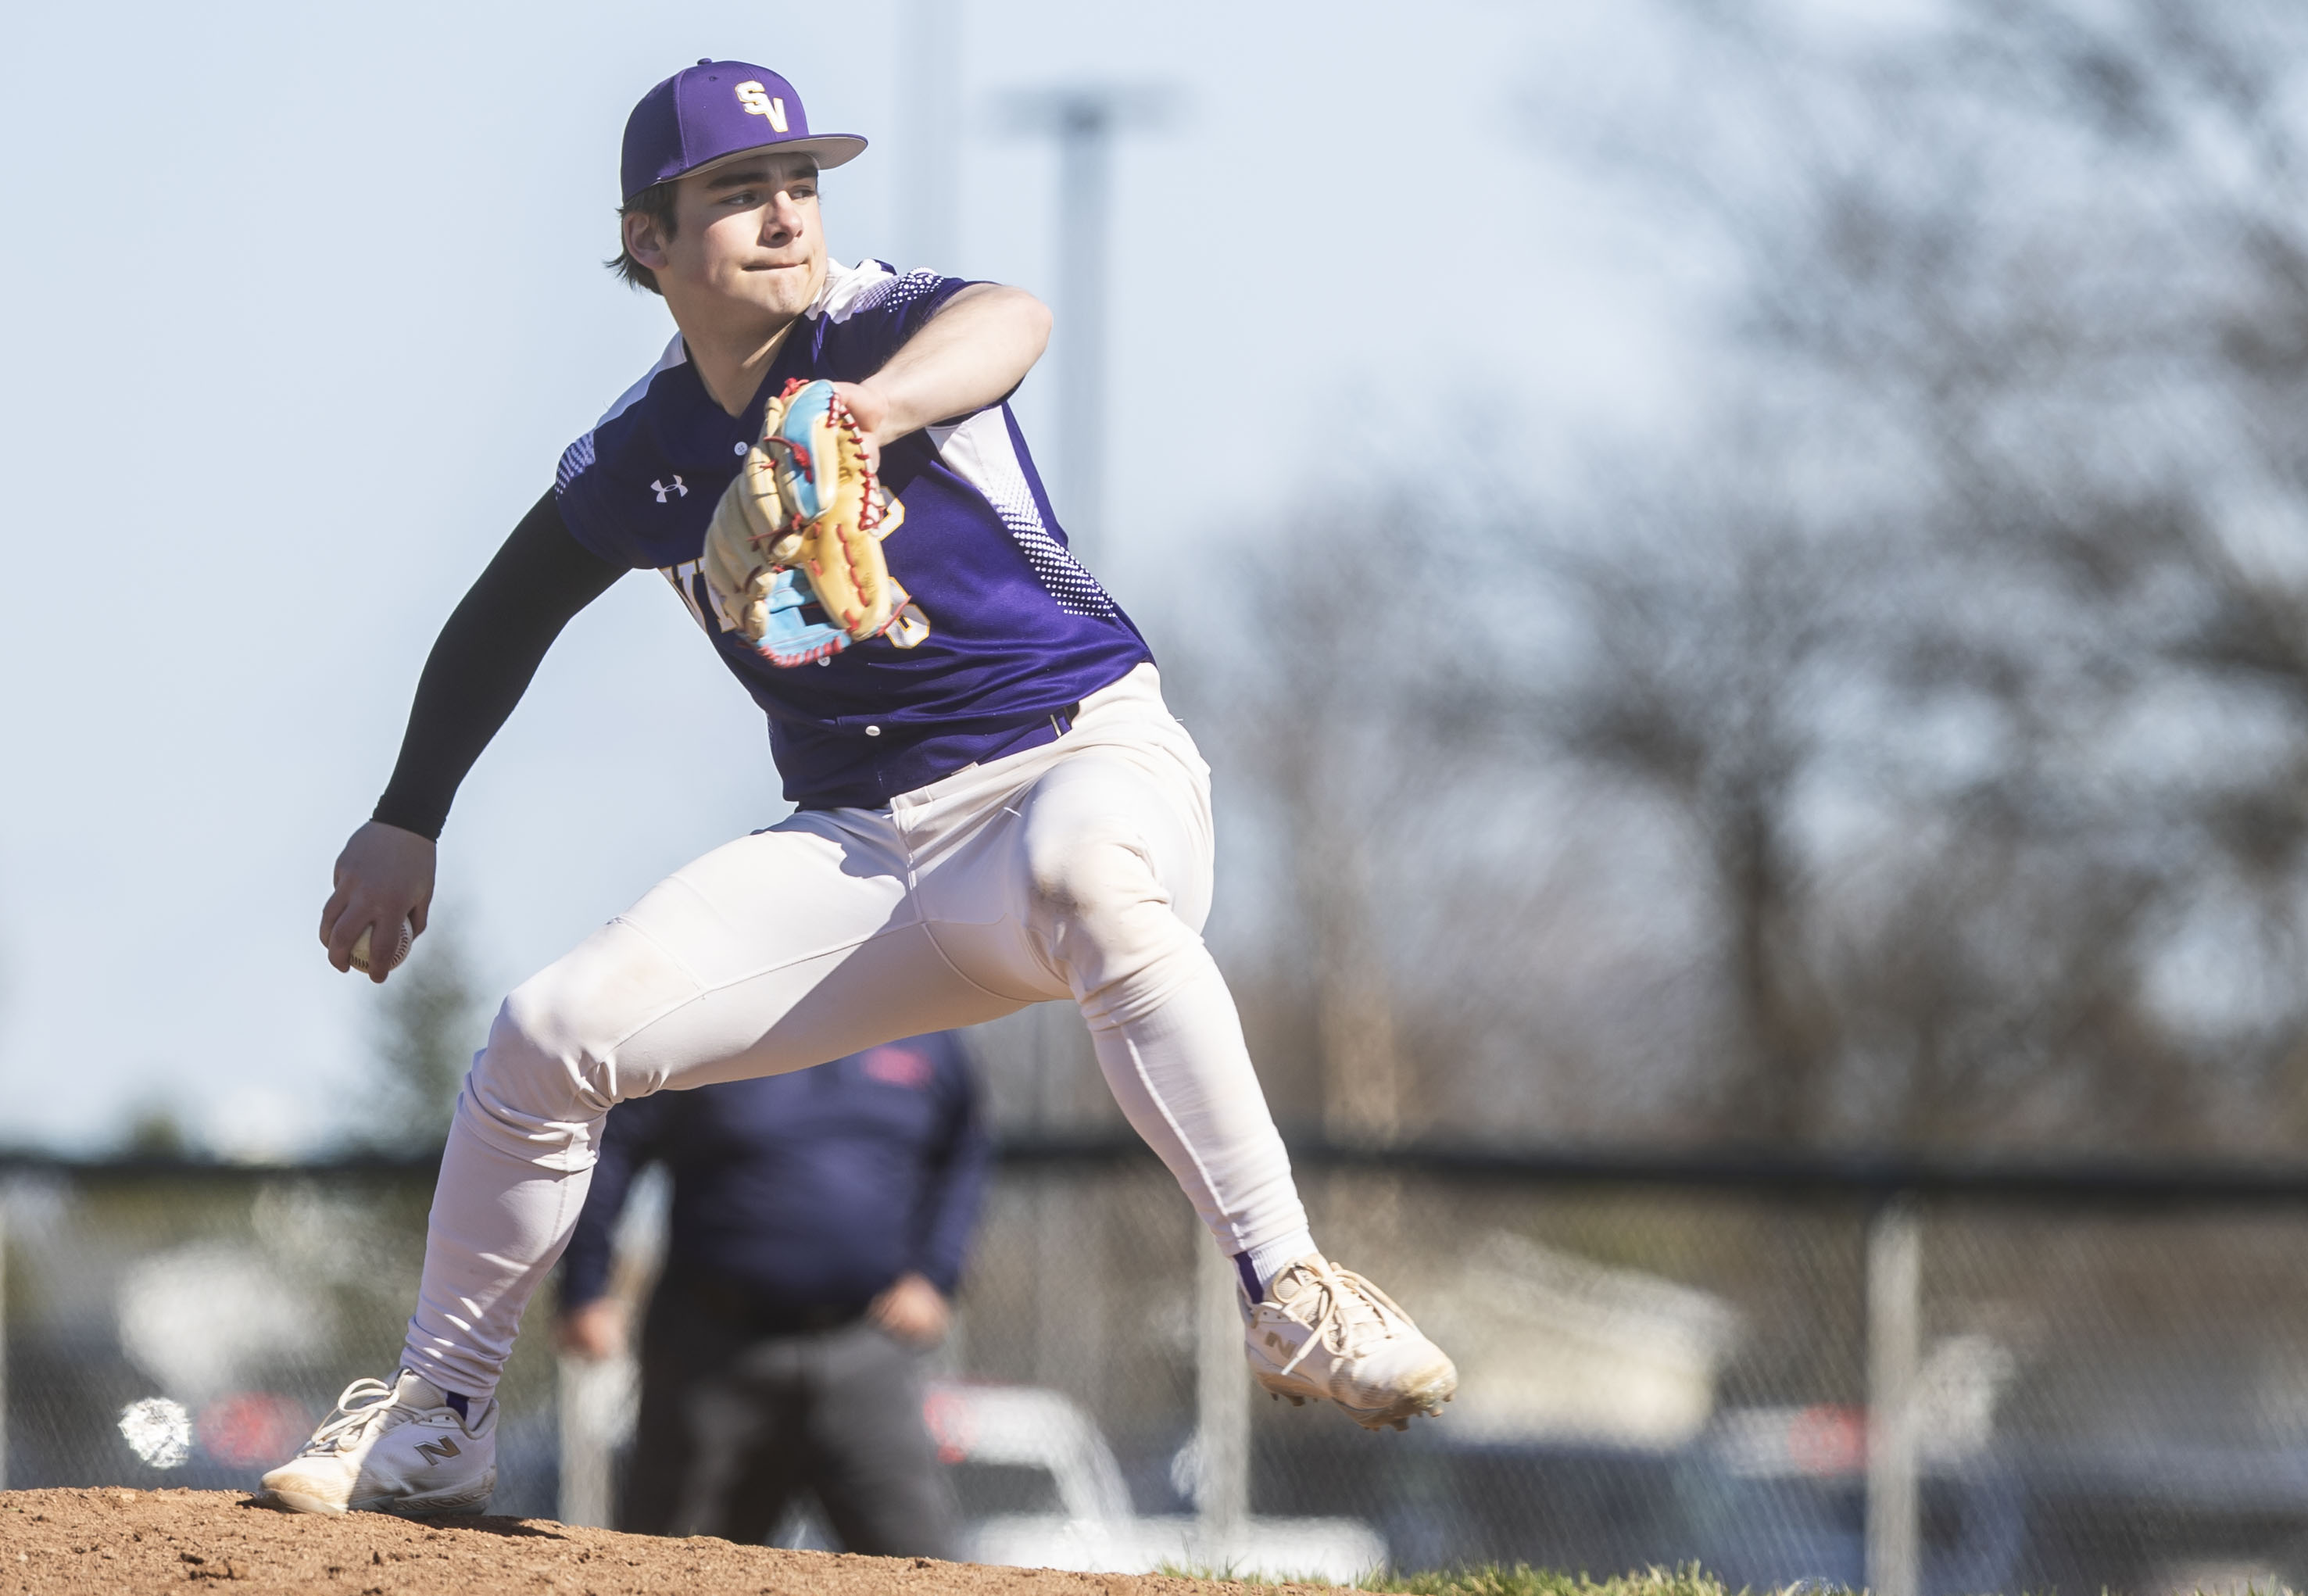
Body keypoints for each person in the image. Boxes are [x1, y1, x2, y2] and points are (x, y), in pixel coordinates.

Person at [259, 57, 1455, 1520]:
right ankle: (439, 1417)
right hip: (864, 849)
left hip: (1080, 761)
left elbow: (1013, 320)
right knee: (545, 1034)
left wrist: (865, 414)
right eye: (736, 192)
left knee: (1089, 878)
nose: (784, 215)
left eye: (800, 185)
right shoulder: (649, 451)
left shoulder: (880, 325)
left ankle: (1289, 1288)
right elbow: (508, 607)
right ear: (649, 240)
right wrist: (408, 816)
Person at [553, 1032, 984, 1554]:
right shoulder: (714, 1020)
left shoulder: (926, 1028)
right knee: (662, 1557)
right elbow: (612, 1145)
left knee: (927, 1565)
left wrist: (935, 1276)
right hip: (711, 1350)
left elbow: (963, 1151)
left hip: (866, 1346)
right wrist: (585, 1288)